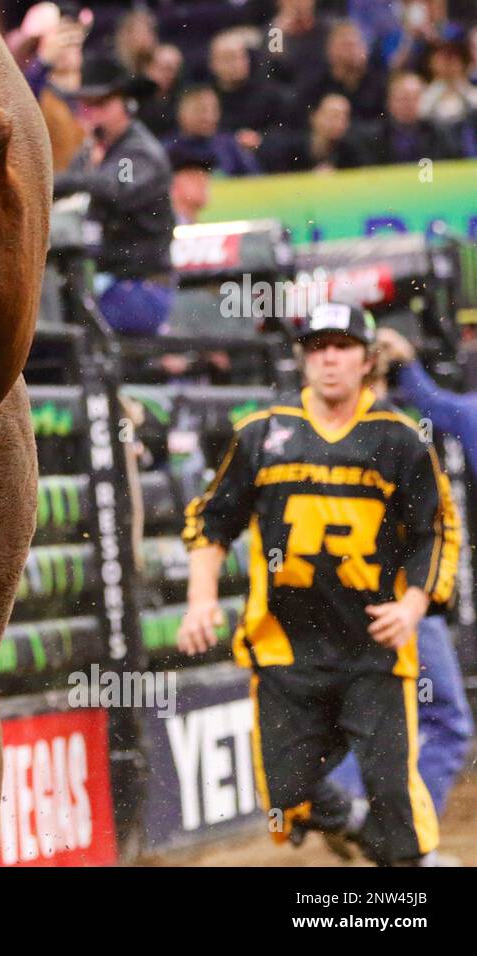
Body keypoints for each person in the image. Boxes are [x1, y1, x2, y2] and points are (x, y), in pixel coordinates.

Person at [178, 302, 461, 866]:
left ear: (366, 358)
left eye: (342, 346)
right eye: (317, 347)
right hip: (285, 648)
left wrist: (411, 605)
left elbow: (435, 530)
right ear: (303, 358)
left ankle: (412, 867)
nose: (329, 359)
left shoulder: (400, 439)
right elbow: (212, 521)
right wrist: (200, 599)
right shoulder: (262, 434)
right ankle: (354, 822)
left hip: (374, 648)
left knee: (393, 791)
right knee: (286, 797)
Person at [321, 328, 474, 844]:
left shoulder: (306, 432)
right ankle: (394, 832)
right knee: (445, 722)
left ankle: (339, 804)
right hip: (401, 600)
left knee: (376, 713)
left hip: (341, 597)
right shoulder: (399, 433)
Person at [53, 57, 175, 336]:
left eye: (102, 104)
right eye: (87, 105)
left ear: (127, 105)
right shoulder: (92, 152)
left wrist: (57, 182)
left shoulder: (143, 152)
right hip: (101, 281)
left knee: (71, 328)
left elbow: (116, 187)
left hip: (140, 288)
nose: (92, 114)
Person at [292, 19, 387, 124]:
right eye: (346, 45)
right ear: (330, 49)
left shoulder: (378, 83)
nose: (353, 51)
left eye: (357, 44)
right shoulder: (315, 83)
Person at [357, 71, 457, 165]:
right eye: (403, 98)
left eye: (414, 98)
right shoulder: (372, 137)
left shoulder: (438, 133)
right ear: (389, 100)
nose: (408, 104)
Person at [163, 85, 262, 177]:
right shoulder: (166, 151)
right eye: (201, 110)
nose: (209, 117)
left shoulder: (230, 146)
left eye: (214, 109)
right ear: (181, 112)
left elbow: (257, 184)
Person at [259, 92, 367, 172]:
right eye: (333, 116)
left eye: (344, 117)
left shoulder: (351, 152)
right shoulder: (291, 150)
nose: (339, 123)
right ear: (314, 116)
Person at [208, 29, 286, 138]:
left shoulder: (270, 95)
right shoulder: (207, 97)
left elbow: (284, 132)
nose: (237, 63)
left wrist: (259, 140)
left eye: (241, 56)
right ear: (213, 64)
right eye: (229, 58)